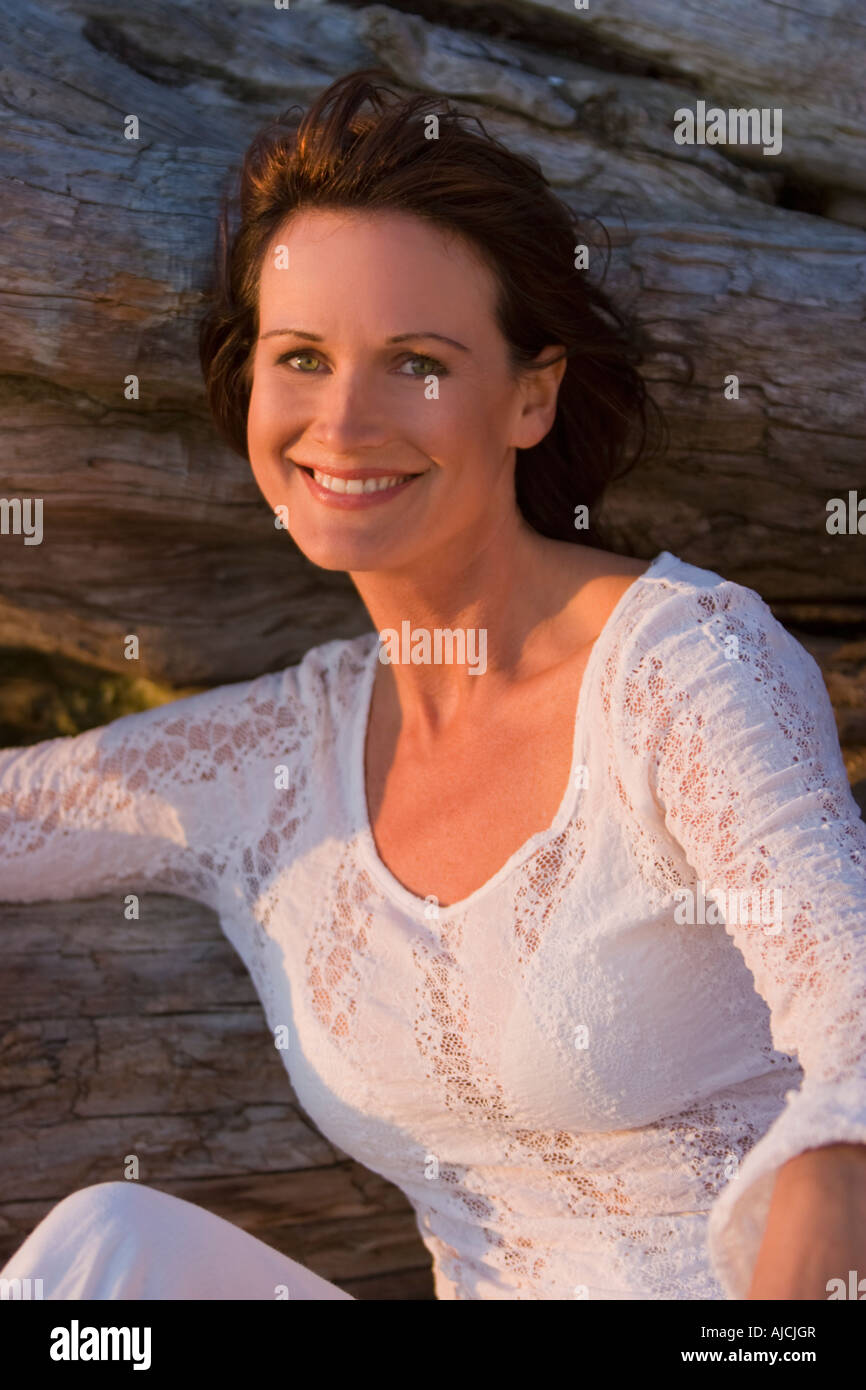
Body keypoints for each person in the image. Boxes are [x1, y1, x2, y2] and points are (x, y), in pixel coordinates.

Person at [2, 69, 865, 1302]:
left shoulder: (682, 666)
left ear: (530, 394)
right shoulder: (275, 755)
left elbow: (855, 1028)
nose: (342, 422)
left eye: (413, 362)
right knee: (107, 1258)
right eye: (301, 357)